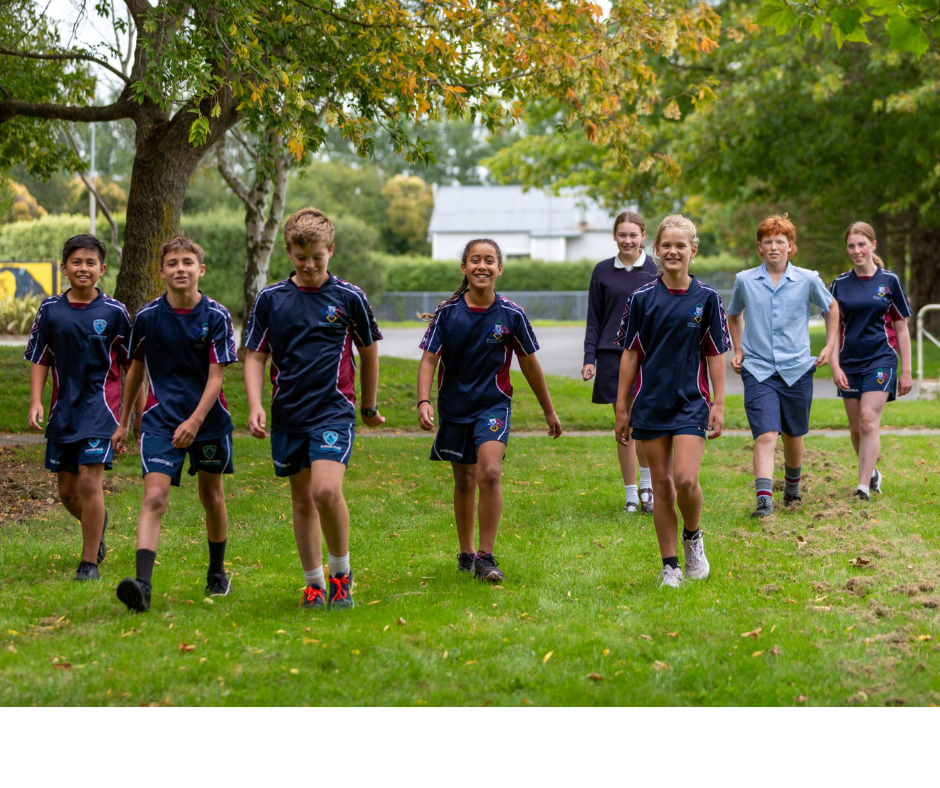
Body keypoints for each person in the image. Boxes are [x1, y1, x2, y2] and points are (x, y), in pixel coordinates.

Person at [243, 208, 384, 610]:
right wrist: (255, 405)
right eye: (301, 257)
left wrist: (369, 406)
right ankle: (313, 584)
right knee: (302, 499)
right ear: (289, 252)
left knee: (325, 489)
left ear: (331, 251)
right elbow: (255, 356)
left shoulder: (348, 297)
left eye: (317, 257)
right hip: (288, 413)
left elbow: (369, 351)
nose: (309, 265)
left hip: (333, 410)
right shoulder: (272, 299)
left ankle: (341, 575)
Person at [417, 238, 562, 583]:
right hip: (454, 408)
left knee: (490, 473)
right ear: (464, 268)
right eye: (474, 260)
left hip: (493, 406)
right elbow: (428, 361)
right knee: (464, 480)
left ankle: (486, 556)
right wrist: (423, 400)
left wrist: (549, 411)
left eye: (489, 260)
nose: (482, 266)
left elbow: (530, 365)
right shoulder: (447, 313)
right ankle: (466, 553)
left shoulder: (511, 314)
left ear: (499, 268)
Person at [112, 236, 238, 612]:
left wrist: (195, 422)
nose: (179, 268)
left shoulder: (216, 316)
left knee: (210, 496)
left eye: (187, 262)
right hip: (161, 421)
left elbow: (216, 378)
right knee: (154, 497)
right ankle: (142, 587)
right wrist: (124, 422)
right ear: (162, 271)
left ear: (201, 269)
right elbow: (134, 369)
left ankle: (217, 573)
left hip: (209, 421)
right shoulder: (148, 317)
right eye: (172, 263)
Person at [614, 215, 729, 589]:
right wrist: (622, 408)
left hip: (691, 404)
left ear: (693, 250)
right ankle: (671, 567)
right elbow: (630, 355)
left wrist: (719, 404)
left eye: (681, 245)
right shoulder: (641, 299)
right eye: (667, 245)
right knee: (661, 484)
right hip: (649, 404)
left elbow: (714, 354)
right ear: (656, 251)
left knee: (684, 479)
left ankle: (693, 538)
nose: (673, 251)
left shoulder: (708, 299)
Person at [24, 234, 136, 581]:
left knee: (90, 483)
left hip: (102, 410)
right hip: (63, 411)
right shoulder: (50, 309)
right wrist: (35, 401)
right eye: (76, 262)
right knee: (67, 492)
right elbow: (40, 358)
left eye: (90, 263)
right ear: (64, 268)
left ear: (102, 269)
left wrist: (128, 418)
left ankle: (89, 564)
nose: (83, 268)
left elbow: (132, 365)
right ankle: (96, 526)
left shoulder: (115, 312)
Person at [726, 214, 838, 517]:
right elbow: (733, 314)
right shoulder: (745, 280)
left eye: (780, 242)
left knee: (793, 434)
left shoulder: (808, 279)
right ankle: (764, 500)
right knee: (765, 434)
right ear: (760, 247)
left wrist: (829, 345)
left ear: (791, 246)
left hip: (797, 368)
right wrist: (738, 349)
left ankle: (792, 488)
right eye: (767, 242)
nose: (773, 247)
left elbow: (832, 308)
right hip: (758, 368)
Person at [829, 221, 913, 500]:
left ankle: (863, 486)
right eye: (851, 246)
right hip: (849, 363)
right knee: (855, 428)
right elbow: (834, 330)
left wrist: (906, 371)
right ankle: (873, 472)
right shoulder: (840, 284)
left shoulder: (889, 281)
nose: (856, 250)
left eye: (861, 244)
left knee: (868, 421)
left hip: (881, 358)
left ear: (873, 245)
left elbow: (901, 328)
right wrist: (835, 365)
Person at [582, 211, 658, 514]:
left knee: (644, 424)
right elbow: (594, 319)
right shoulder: (602, 271)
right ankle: (630, 494)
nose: (628, 240)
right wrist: (590, 358)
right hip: (611, 356)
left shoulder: (655, 270)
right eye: (622, 234)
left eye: (633, 235)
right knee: (623, 423)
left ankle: (647, 487)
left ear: (643, 237)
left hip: (648, 356)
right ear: (615, 236)